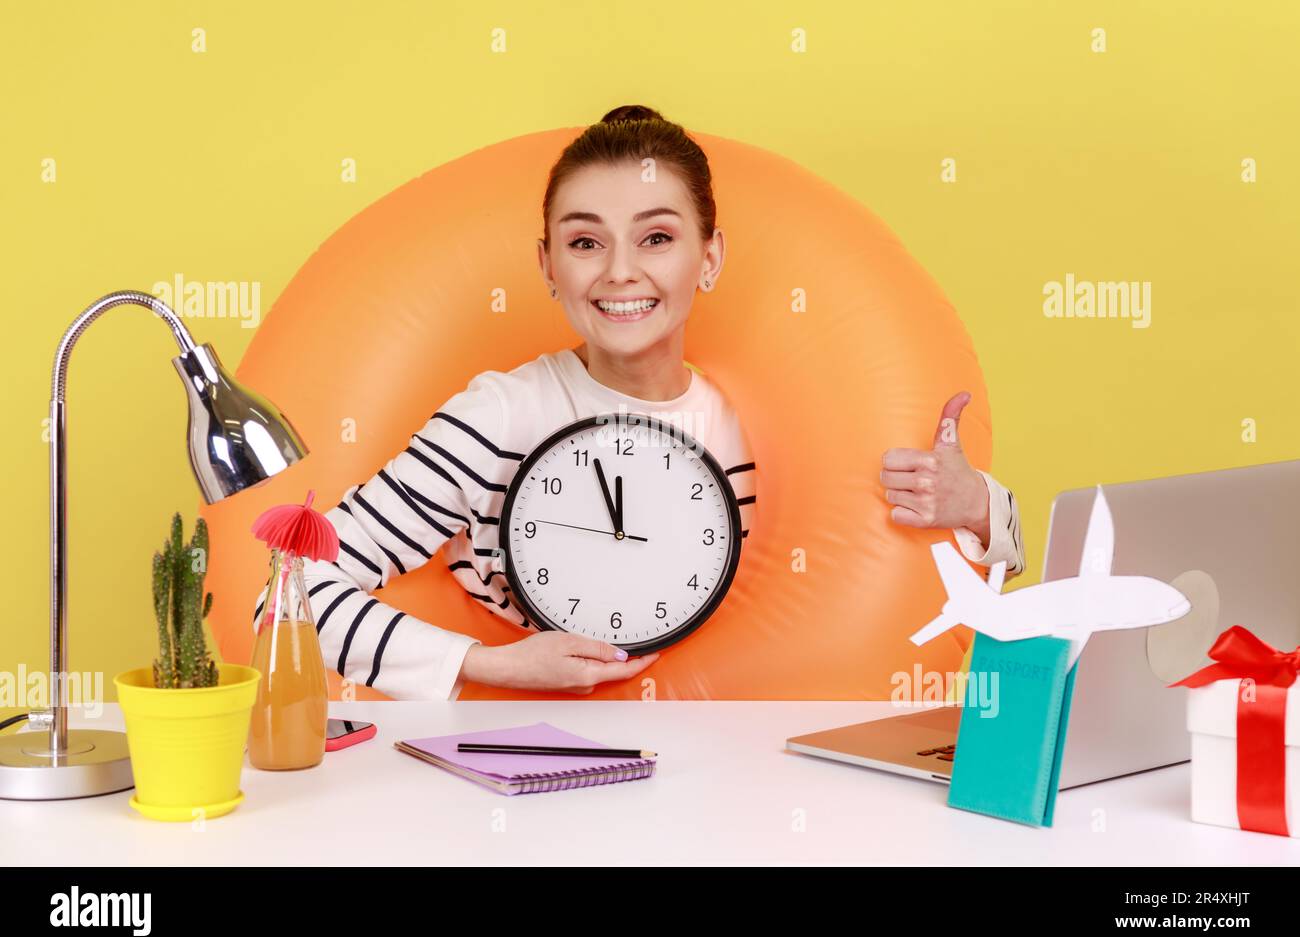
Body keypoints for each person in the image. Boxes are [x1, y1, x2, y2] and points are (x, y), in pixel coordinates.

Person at [253, 104, 1025, 700]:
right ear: (548, 265)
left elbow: (994, 558)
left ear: (709, 256)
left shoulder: (760, 436)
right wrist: (488, 663)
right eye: (586, 243)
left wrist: (981, 508)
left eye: (656, 238)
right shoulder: (500, 418)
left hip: (729, 774)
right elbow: (284, 593)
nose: (620, 272)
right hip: (520, 766)